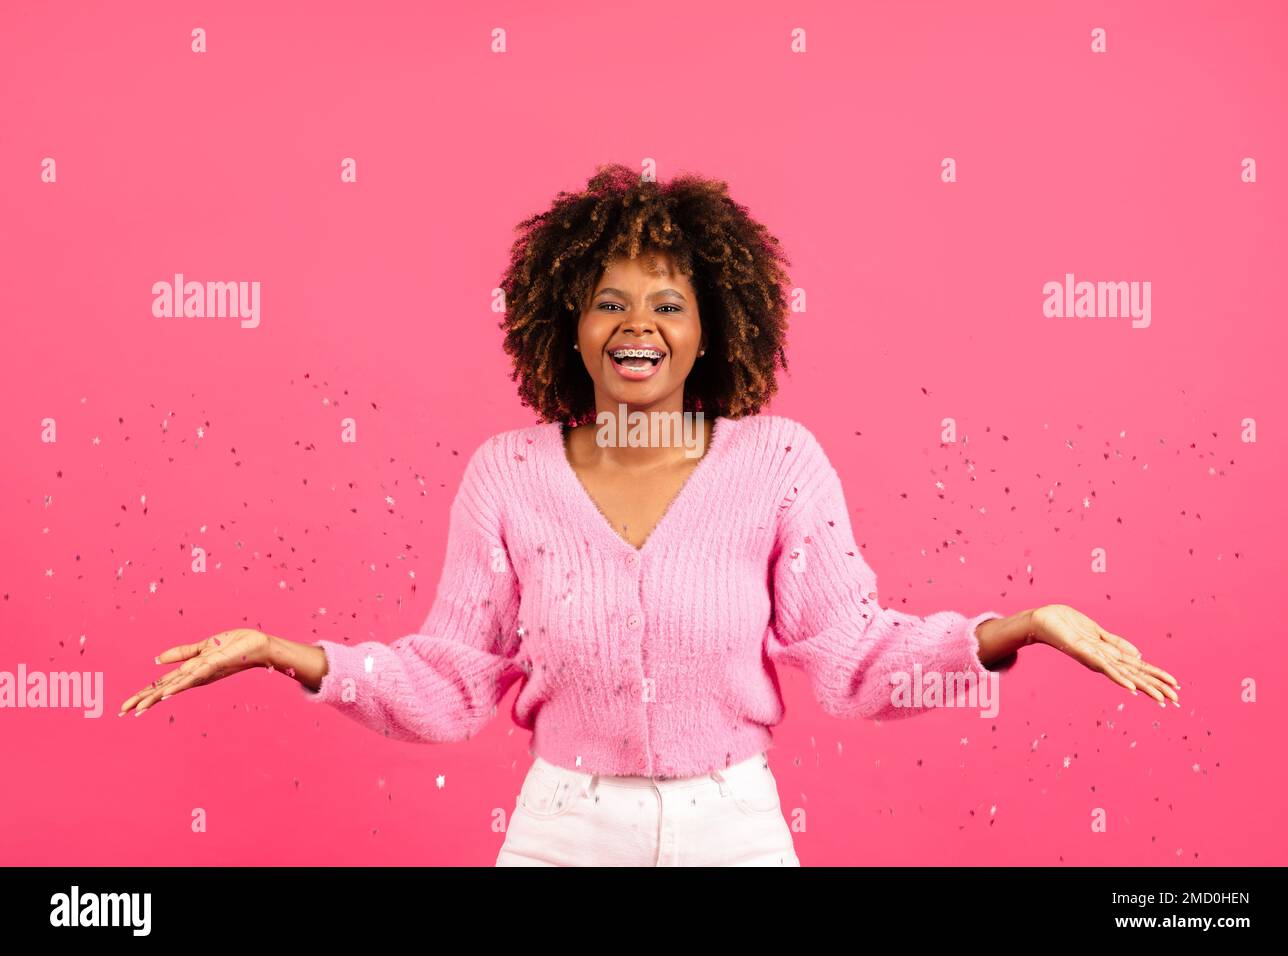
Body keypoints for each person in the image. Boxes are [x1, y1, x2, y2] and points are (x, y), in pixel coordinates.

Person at [118, 163, 1180, 866]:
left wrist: (1014, 630)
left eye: (668, 301)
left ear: (714, 326)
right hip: (560, 831)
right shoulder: (507, 475)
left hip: (735, 829)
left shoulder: (777, 463)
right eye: (608, 301)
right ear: (566, 327)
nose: (638, 324)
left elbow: (855, 656)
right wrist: (292, 655)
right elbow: (449, 679)